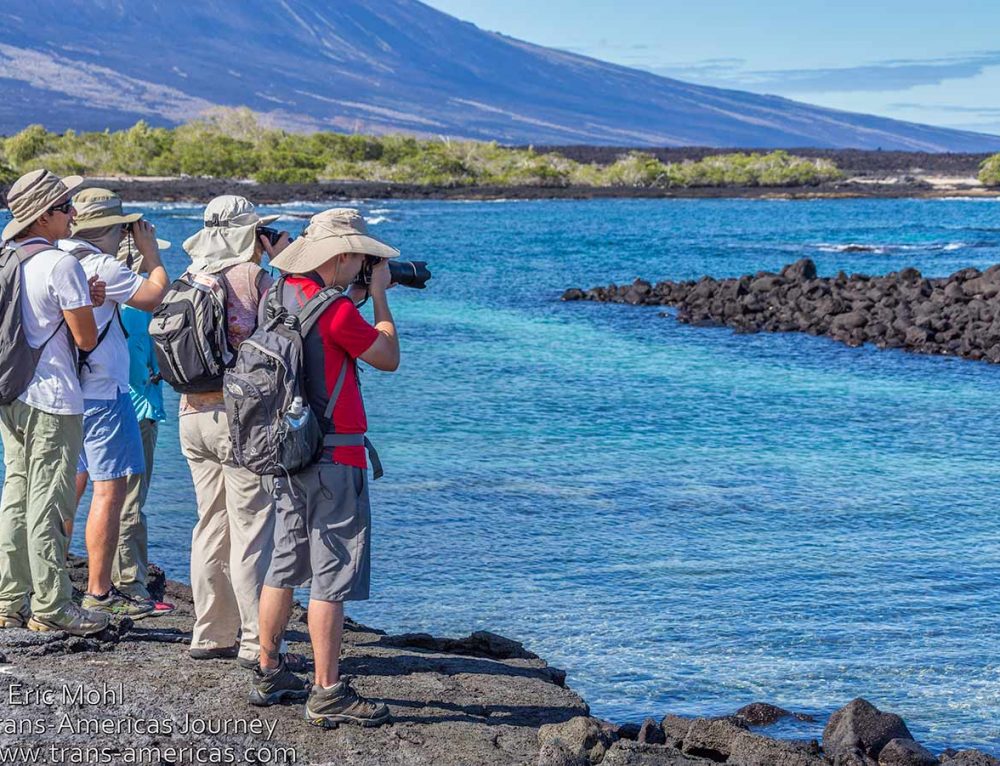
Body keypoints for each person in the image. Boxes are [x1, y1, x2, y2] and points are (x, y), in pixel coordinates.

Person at [251, 209, 399, 728]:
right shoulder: (336, 309)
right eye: (359, 256)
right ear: (341, 257)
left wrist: (353, 294)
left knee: (283, 565)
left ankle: (268, 671)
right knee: (330, 575)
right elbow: (387, 356)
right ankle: (327, 690)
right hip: (335, 454)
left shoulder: (277, 294)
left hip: (289, 450)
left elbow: (315, 334)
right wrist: (379, 297)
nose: (363, 263)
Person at [178, 196, 305, 669]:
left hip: (191, 414)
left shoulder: (190, 275)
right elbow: (291, 322)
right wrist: (286, 261)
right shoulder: (253, 277)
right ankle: (256, 641)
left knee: (210, 524)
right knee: (252, 529)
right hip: (239, 419)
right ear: (248, 234)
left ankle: (210, 632)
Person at [0, 170, 109, 636]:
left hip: (10, 391)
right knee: (49, 499)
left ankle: (9, 600)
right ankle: (52, 605)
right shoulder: (61, 264)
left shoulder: (7, 257)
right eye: (65, 207)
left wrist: (83, 301)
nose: (73, 214)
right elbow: (85, 339)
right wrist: (86, 303)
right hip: (53, 397)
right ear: (42, 216)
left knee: (16, 493)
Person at [59, 188, 170, 618]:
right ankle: (99, 591)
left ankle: (49, 581)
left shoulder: (57, 257)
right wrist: (150, 252)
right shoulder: (102, 265)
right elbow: (154, 295)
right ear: (112, 229)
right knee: (111, 491)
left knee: (66, 489)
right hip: (104, 391)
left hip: (66, 393)